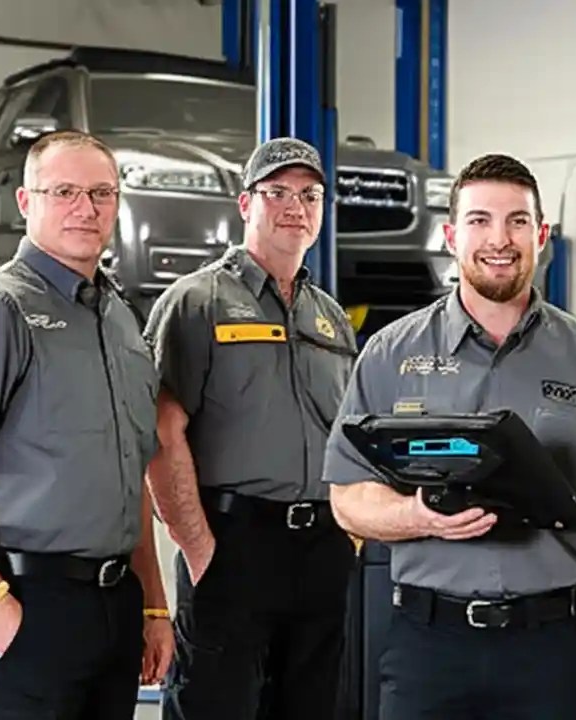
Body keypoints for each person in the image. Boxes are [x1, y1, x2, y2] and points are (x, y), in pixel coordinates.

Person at [322, 153, 576, 720]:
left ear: (540, 235)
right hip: (427, 647)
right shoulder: (390, 355)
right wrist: (419, 518)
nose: (499, 239)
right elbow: (347, 498)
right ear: (450, 235)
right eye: (480, 220)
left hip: (550, 649)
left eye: (517, 221)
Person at [0, 129, 174, 720]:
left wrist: (151, 604)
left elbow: (130, 474)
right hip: (25, 599)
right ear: (26, 202)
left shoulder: (121, 320)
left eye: (102, 193)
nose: (85, 208)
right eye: (65, 191)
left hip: (112, 606)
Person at [144, 137, 359, 720]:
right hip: (233, 544)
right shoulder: (196, 303)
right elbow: (163, 434)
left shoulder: (330, 316)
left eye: (309, 195)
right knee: (215, 704)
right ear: (245, 205)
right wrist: (199, 549)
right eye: (278, 193)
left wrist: (352, 536)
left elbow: (349, 431)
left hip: (322, 551)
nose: (295, 207)